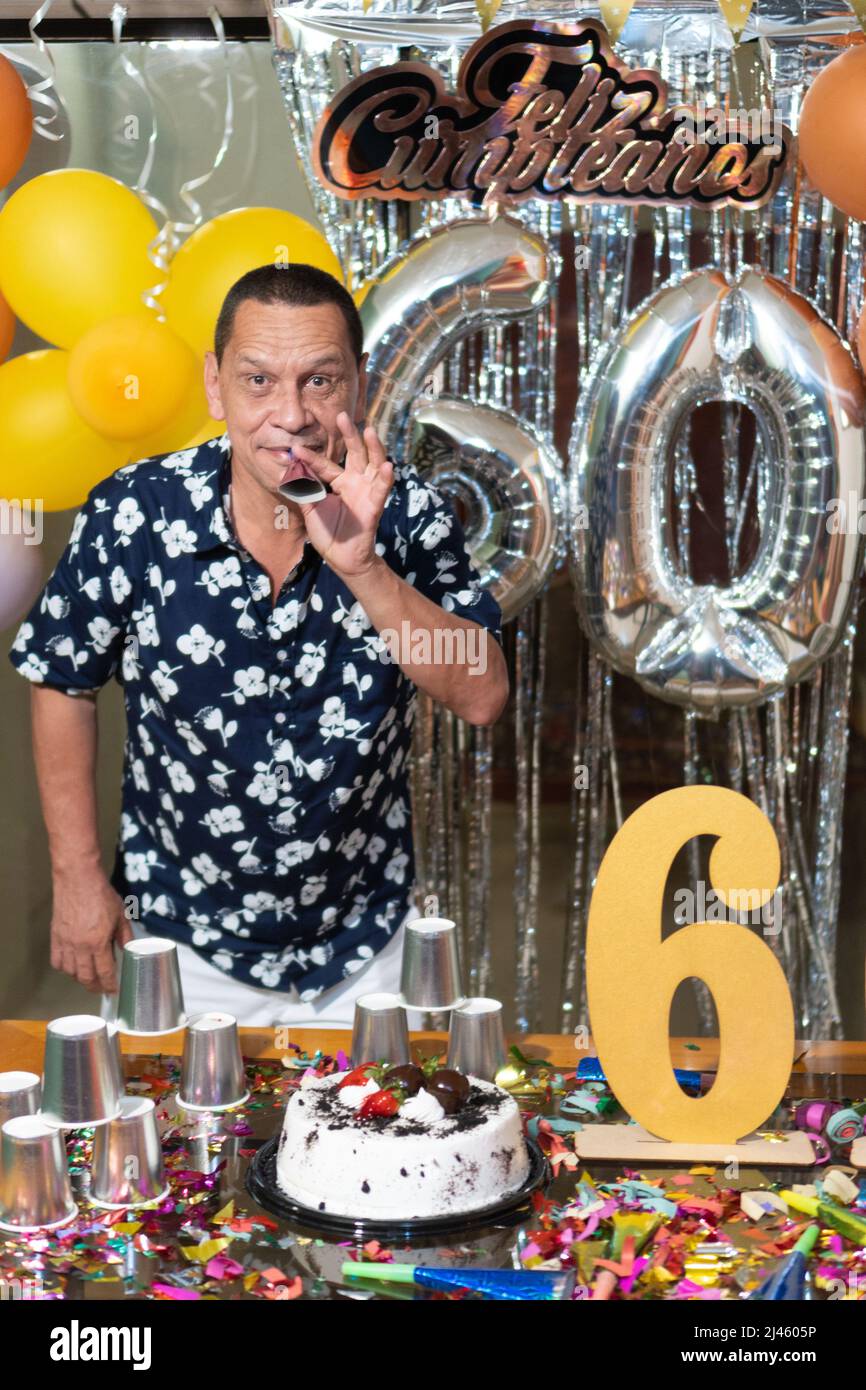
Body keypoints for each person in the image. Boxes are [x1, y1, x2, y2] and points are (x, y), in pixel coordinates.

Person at [8, 262, 508, 1026]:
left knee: (387, 1140)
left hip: (363, 946)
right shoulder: (136, 511)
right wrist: (77, 878)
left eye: (319, 380)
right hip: (178, 940)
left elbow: (483, 696)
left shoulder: (409, 518)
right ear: (215, 386)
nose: (292, 415)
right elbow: (61, 679)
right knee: (177, 1146)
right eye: (258, 381)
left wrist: (365, 569)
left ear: (358, 385)